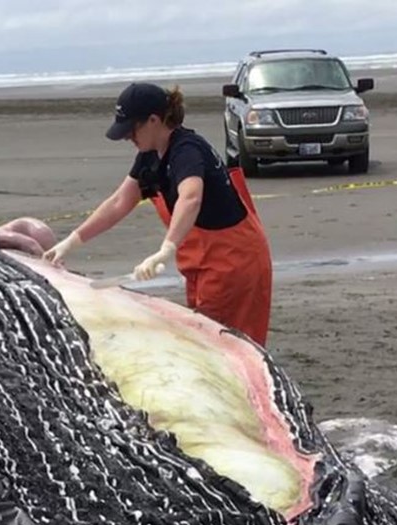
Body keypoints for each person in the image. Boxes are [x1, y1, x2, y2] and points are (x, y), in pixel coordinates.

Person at [44, 83, 274, 345]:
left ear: (154, 120)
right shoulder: (149, 156)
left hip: (234, 263)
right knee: (204, 335)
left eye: (132, 129)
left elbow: (191, 197)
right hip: (201, 266)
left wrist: (167, 249)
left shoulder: (187, 150)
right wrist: (72, 240)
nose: (129, 137)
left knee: (227, 344)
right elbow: (120, 201)